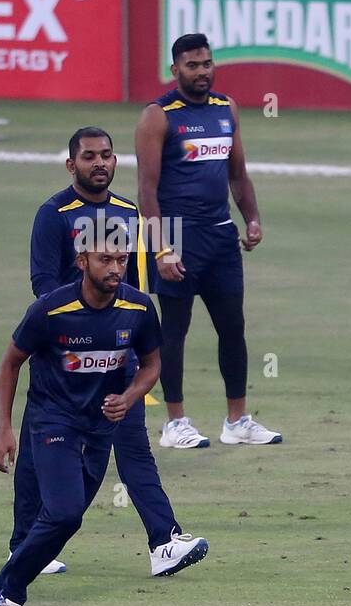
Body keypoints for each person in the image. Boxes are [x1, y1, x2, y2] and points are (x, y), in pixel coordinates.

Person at [0, 234, 165, 606]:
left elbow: (154, 363)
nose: (116, 269)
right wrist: (3, 430)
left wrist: (130, 396)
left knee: (64, 521)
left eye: (122, 260)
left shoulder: (139, 308)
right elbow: (11, 362)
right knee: (65, 512)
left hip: (98, 431)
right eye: (106, 259)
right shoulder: (51, 310)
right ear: (82, 260)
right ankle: (9, 601)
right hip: (52, 423)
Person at [14, 126, 207, 578]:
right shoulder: (53, 214)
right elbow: (42, 285)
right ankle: (22, 545)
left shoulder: (127, 211)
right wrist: (81, 326)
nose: (99, 163)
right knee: (34, 450)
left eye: (106, 155)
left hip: (120, 355)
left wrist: (130, 333)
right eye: (88, 156)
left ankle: (164, 542)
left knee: (134, 445)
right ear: (71, 165)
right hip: (62, 356)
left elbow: (133, 282)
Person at [135, 32, 281, 449]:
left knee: (233, 327)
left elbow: (237, 174)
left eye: (206, 64)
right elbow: (147, 190)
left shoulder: (225, 110)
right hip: (178, 237)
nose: (202, 72)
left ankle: (237, 420)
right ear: (175, 69)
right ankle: (175, 423)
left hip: (220, 237)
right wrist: (161, 248)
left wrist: (251, 219)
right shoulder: (158, 116)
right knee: (175, 331)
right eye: (192, 65)